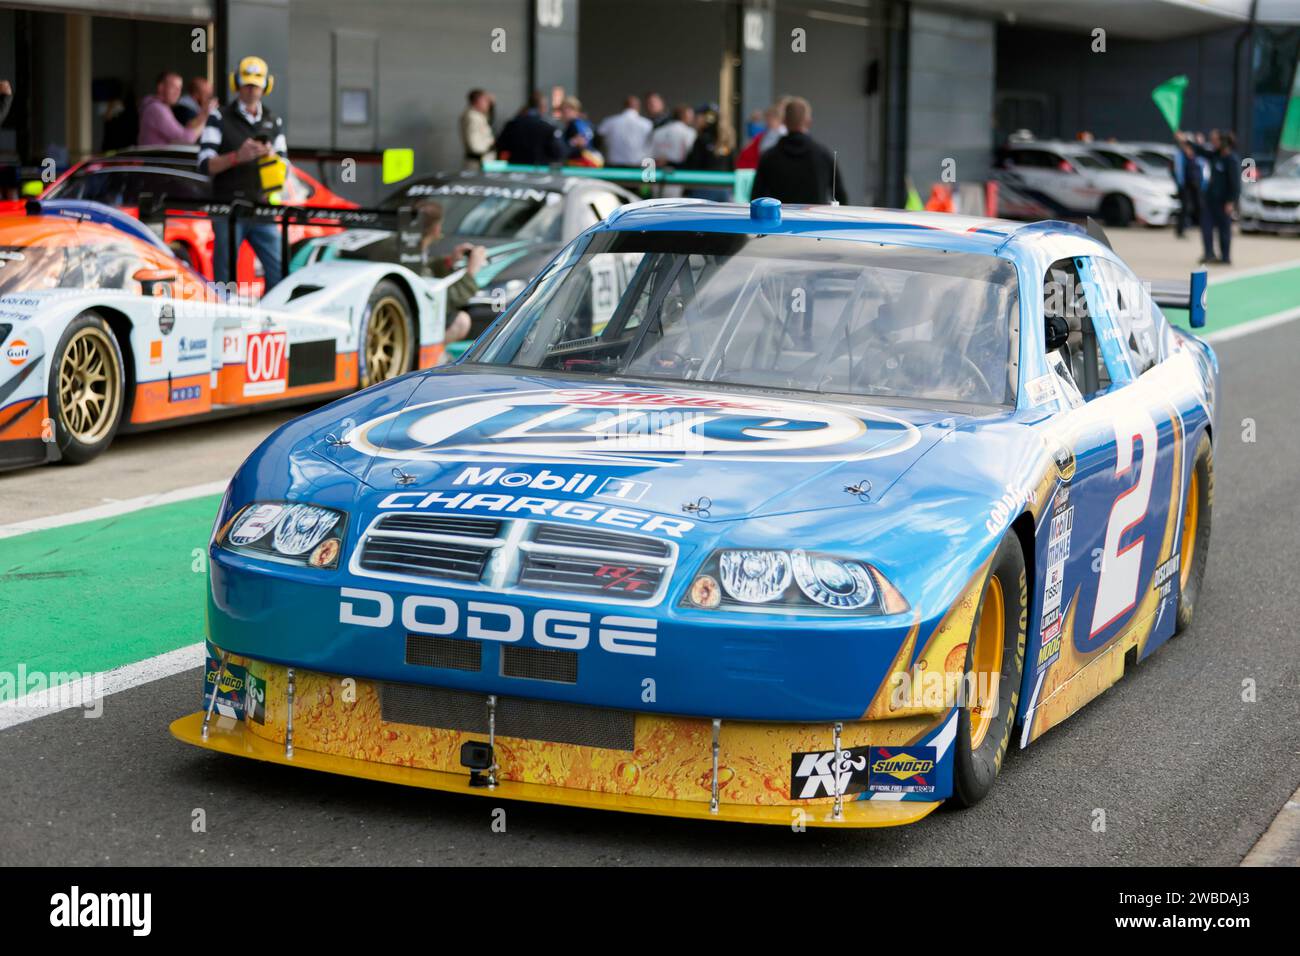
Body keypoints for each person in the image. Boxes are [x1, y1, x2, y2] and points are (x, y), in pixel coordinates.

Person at [198, 55, 289, 290]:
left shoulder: (273, 120)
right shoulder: (219, 117)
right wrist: (237, 157)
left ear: (265, 86)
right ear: (236, 83)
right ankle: (224, 321)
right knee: (225, 276)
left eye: (255, 86)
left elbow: (286, 167)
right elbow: (204, 165)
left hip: (262, 207)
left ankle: (271, 320)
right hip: (228, 209)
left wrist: (270, 157)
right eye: (246, 84)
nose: (250, 90)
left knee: (280, 271)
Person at [751, 96, 847, 206]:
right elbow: (841, 197)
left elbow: (756, 199)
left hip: (781, 222)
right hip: (814, 222)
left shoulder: (768, 158)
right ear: (808, 122)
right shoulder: (824, 156)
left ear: (784, 122)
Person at [416, 200, 485, 343]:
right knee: (461, 321)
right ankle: (430, 358)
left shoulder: (408, 248)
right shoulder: (414, 252)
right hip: (417, 323)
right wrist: (471, 272)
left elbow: (423, 268)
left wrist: (449, 261)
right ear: (436, 228)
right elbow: (441, 301)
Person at [1181, 129, 1240, 265]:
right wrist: (1186, 140)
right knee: (1206, 227)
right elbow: (1200, 151)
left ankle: (1225, 257)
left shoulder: (1231, 160)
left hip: (1224, 202)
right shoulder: (1216, 155)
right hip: (1211, 200)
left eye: (1215, 141)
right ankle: (1209, 254)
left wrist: (1231, 201)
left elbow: (1235, 184)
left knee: (1224, 229)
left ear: (1223, 142)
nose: (1213, 143)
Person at [138, 71, 212, 146]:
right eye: (173, 87)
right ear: (161, 87)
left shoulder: (159, 107)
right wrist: (206, 117)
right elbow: (185, 138)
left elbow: (185, 130)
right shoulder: (157, 109)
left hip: (156, 156)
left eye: (179, 88)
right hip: (157, 157)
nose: (178, 92)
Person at [494, 91, 565, 165]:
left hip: (515, 168)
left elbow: (500, 145)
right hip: (540, 170)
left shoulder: (512, 124)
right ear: (542, 107)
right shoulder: (548, 127)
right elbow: (558, 152)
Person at [597, 95, 652, 167]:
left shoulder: (609, 121)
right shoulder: (647, 123)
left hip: (613, 164)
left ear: (624, 106)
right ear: (638, 107)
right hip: (637, 165)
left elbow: (598, 139)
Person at [736, 101, 786, 170]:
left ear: (778, 119)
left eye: (769, 119)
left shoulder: (783, 134)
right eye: (767, 119)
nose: (767, 122)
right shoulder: (764, 134)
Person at [1172, 134, 1203, 240]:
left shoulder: (1196, 157)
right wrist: (1180, 184)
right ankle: (1180, 230)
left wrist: (1202, 183)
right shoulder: (1180, 156)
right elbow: (1178, 171)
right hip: (1185, 185)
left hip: (1195, 184)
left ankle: (1199, 225)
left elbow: (1201, 171)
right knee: (1184, 207)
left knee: (1199, 205)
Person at [460, 89, 495, 170]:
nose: (488, 104)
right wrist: (488, 147)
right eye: (486, 101)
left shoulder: (477, 115)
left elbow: (490, 118)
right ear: (478, 101)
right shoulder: (472, 117)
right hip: (478, 162)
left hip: (481, 160)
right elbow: (474, 144)